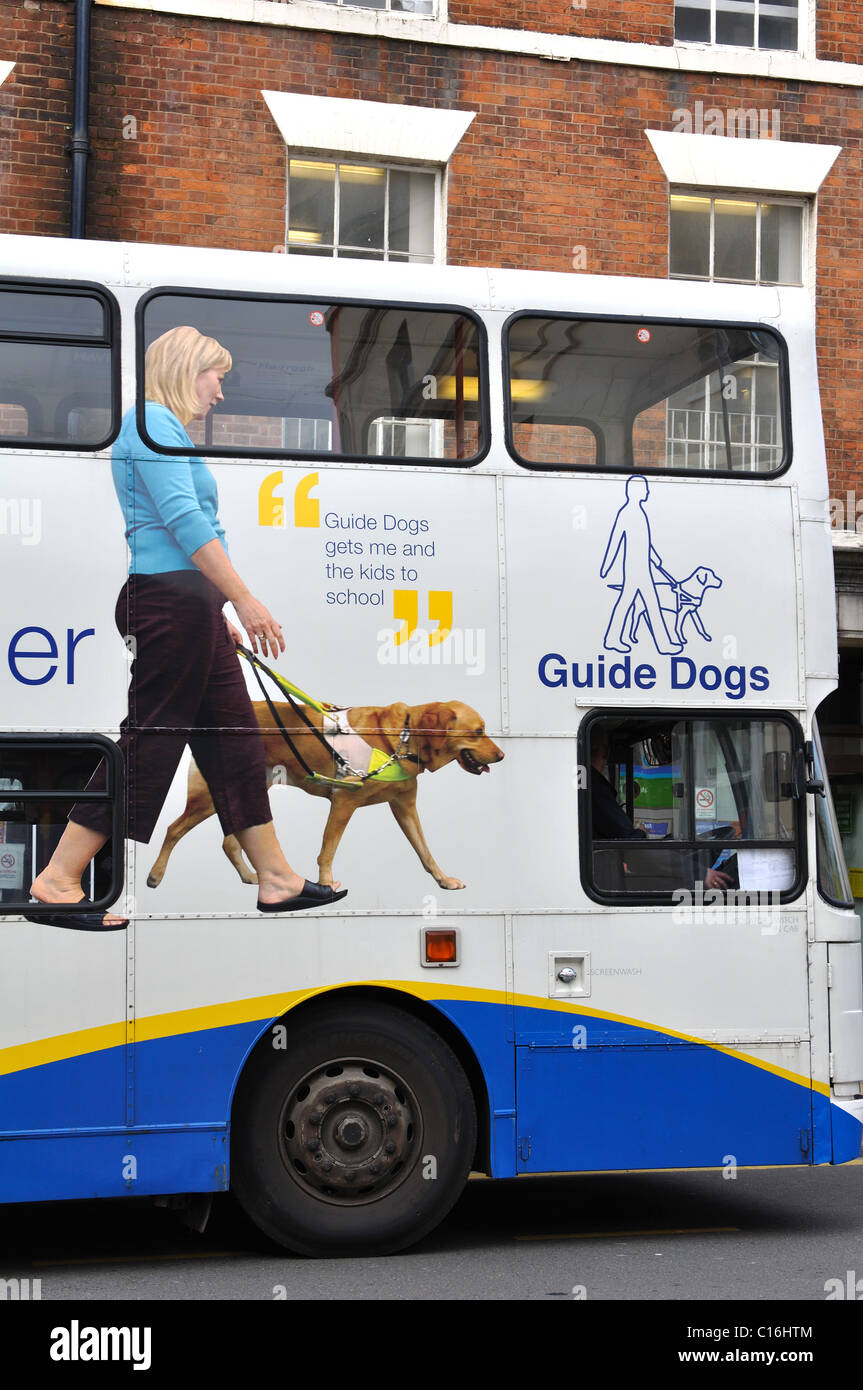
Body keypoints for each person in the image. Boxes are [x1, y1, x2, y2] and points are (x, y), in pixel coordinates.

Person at [27, 326, 346, 929]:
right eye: (216, 377)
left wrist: (216, 610)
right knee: (153, 739)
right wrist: (244, 600)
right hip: (170, 603)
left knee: (234, 742)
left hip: (190, 606)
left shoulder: (163, 429)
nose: (220, 394)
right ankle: (59, 878)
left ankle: (275, 878)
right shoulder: (149, 425)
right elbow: (182, 521)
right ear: (185, 368)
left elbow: (190, 528)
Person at [590, 740, 731, 890]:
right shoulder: (595, 789)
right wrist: (700, 873)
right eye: (606, 755)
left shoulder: (587, 785)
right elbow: (634, 848)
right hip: (603, 882)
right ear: (603, 752)